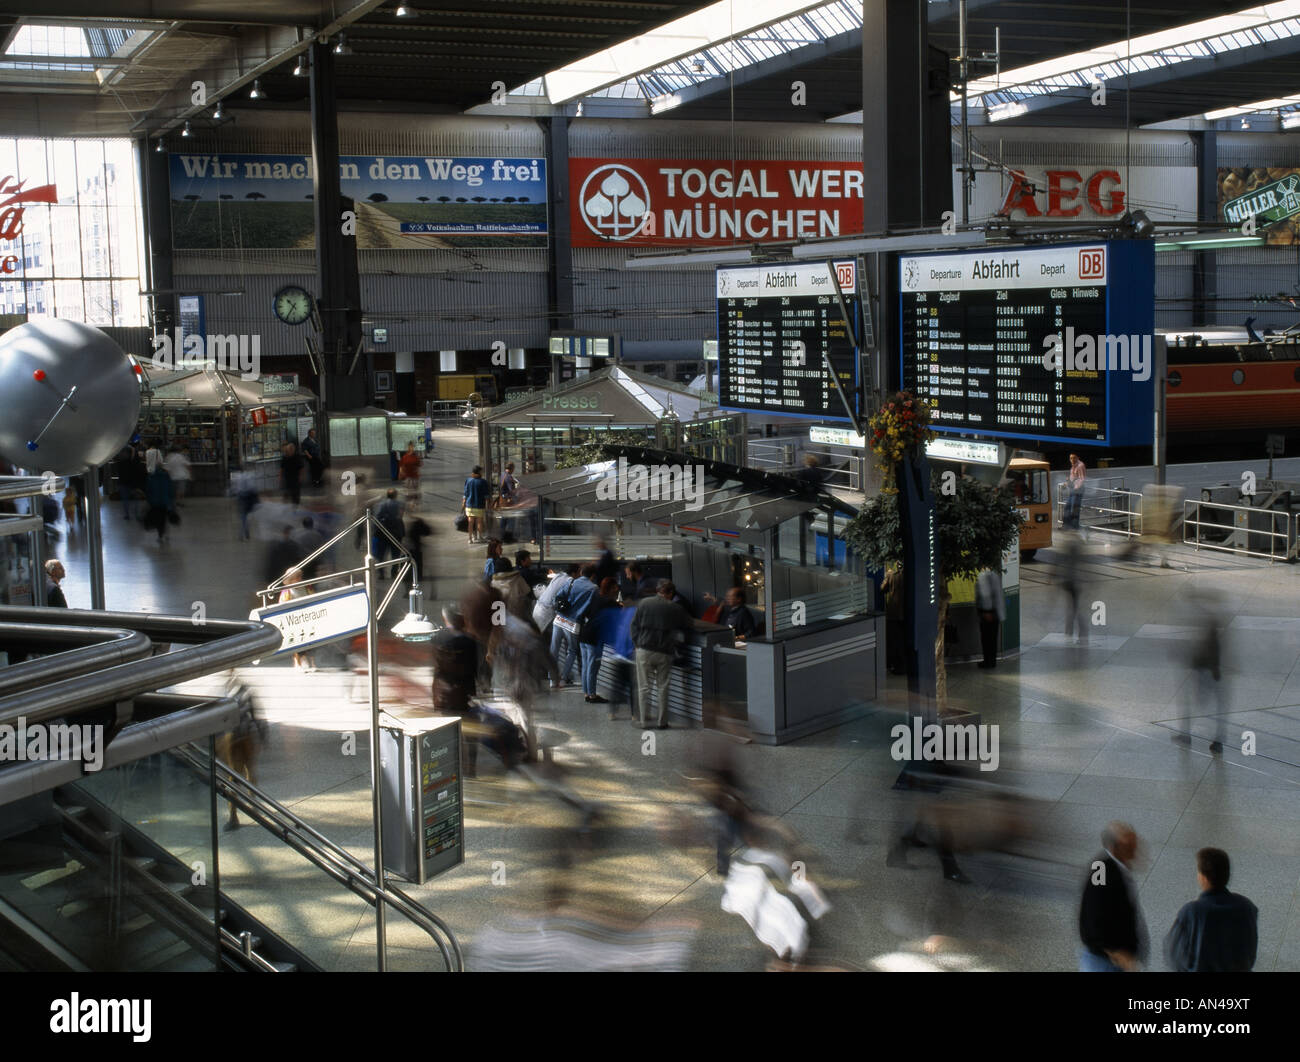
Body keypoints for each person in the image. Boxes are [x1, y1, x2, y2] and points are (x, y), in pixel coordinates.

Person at [1164, 848, 1258, 972]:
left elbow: (1174, 954)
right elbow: (1250, 951)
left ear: (1204, 878)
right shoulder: (1247, 907)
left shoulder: (1191, 912)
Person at [1079, 821, 1148, 972]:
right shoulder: (1101, 868)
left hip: (1116, 960)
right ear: (1114, 847)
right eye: (1129, 843)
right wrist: (1114, 951)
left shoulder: (1120, 867)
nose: (1135, 846)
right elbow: (1093, 912)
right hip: (1104, 961)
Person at [630, 581, 694, 729]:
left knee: (644, 687)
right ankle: (662, 722)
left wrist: (636, 643)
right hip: (664, 652)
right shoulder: (675, 608)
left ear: (658, 590)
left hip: (644, 650)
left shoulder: (644, 603)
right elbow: (689, 624)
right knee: (662, 687)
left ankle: (644, 722)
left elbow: (634, 625)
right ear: (671, 593)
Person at [216, 675, 268, 831]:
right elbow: (256, 715)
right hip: (245, 737)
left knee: (233, 779)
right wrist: (263, 736)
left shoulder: (224, 693)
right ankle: (253, 806)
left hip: (233, 740)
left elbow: (219, 720)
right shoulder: (245, 691)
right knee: (248, 774)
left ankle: (234, 816)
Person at [553, 563, 599, 689]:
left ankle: (552, 680)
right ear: (593, 575)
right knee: (572, 651)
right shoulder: (593, 588)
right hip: (574, 623)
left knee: (554, 648)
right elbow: (593, 609)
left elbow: (557, 598)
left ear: (581, 573)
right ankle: (563, 679)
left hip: (559, 619)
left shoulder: (572, 582)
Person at [579, 577, 621, 704]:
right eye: (615, 587)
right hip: (594, 637)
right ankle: (592, 695)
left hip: (585, 634)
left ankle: (586, 693)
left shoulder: (596, 596)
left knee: (586, 666)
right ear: (612, 587)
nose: (617, 589)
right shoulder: (609, 601)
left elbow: (586, 612)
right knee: (593, 667)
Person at [535, 563, 579, 668]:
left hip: (539, 608)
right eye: (579, 573)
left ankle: (547, 672)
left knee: (545, 642)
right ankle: (546, 670)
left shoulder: (559, 575)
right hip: (547, 612)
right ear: (574, 573)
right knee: (550, 643)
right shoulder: (570, 581)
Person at [279, 567, 315, 672]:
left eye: (300, 576)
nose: (300, 579)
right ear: (291, 579)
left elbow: (313, 597)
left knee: (310, 639)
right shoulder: (287, 591)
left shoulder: (307, 587)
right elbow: (283, 605)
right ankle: (298, 662)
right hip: (294, 619)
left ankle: (309, 661)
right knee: (297, 640)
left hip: (308, 616)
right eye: (297, 577)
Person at [1060, 530, 1088, 645]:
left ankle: (1072, 630)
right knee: (1074, 606)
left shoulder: (1068, 552)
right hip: (1075, 583)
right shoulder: (1077, 553)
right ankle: (1073, 629)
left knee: (1073, 607)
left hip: (1070, 582)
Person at [975, 566, 1005, 669]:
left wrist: (987, 611)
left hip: (988, 613)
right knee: (992, 639)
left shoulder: (984, 575)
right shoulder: (995, 575)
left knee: (986, 639)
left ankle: (988, 661)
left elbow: (985, 593)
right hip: (995, 612)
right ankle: (992, 661)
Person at [373, 489, 406, 578]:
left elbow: (377, 518)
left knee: (381, 553)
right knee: (395, 553)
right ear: (396, 495)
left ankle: (381, 573)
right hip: (396, 532)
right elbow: (400, 516)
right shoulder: (400, 504)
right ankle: (394, 572)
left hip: (383, 532)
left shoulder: (380, 505)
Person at [144, 462, 175, 545]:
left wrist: (148, 500)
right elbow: (170, 489)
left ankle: (160, 535)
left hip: (155, 502)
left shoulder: (151, 477)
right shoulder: (166, 477)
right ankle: (167, 534)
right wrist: (171, 500)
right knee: (165, 518)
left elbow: (148, 490)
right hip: (165, 501)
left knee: (158, 519)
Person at [462, 465, 489, 546]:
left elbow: (465, 493)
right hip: (479, 504)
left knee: (470, 522)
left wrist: (463, 502)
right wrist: (488, 504)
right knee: (479, 522)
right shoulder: (483, 482)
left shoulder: (468, 480)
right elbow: (486, 495)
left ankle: (470, 538)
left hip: (469, 504)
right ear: (479, 472)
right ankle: (480, 537)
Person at [406, 513, 433, 584]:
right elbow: (427, 532)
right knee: (417, 562)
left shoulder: (415, 523)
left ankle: (413, 575)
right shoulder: (418, 523)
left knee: (413, 561)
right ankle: (418, 575)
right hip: (416, 546)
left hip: (411, 546)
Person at [1064, 453, 1086, 531]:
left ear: (1077, 457)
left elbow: (1082, 478)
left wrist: (1076, 487)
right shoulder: (1074, 466)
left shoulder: (1080, 466)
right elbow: (1073, 477)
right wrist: (1067, 483)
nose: (1072, 460)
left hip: (1078, 489)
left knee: (1074, 508)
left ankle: (1074, 526)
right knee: (1068, 507)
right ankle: (1067, 525)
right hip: (1073, 489)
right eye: (1071, 458)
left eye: (1074, 458)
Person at [398, 441, 422, 505]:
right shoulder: (405, 457)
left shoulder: (416, 457)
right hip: (407, 476)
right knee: (408, 491)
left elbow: (419, 466)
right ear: (408, 447)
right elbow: (401, 466)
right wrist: (401, 473)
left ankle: (414, 503)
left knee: (415, 490)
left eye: (413, 447)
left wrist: (418, 472)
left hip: (414, 476)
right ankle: (409, 502)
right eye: (410, 447)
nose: (412, 448)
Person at [281, 442, 302, 506]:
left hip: (295, 478)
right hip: (288, 477)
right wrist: (280, 476)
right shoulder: (285, 458)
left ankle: (295, 504)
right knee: (287, 491)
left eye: (291, 449)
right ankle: (287, 504)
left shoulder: (297, 456)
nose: (290, 451)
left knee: (295, 493)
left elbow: (301, 467)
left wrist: (300, 476)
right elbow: (282, 468)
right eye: (289, 449)